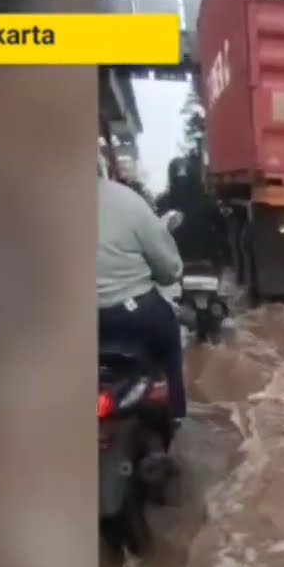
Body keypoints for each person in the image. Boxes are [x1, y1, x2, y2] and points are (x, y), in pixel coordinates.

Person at [97, 175, 187, 444]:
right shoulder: (127, 201)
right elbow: (170, 271)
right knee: (169, 341)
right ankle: (174, 415)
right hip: (131, 311)